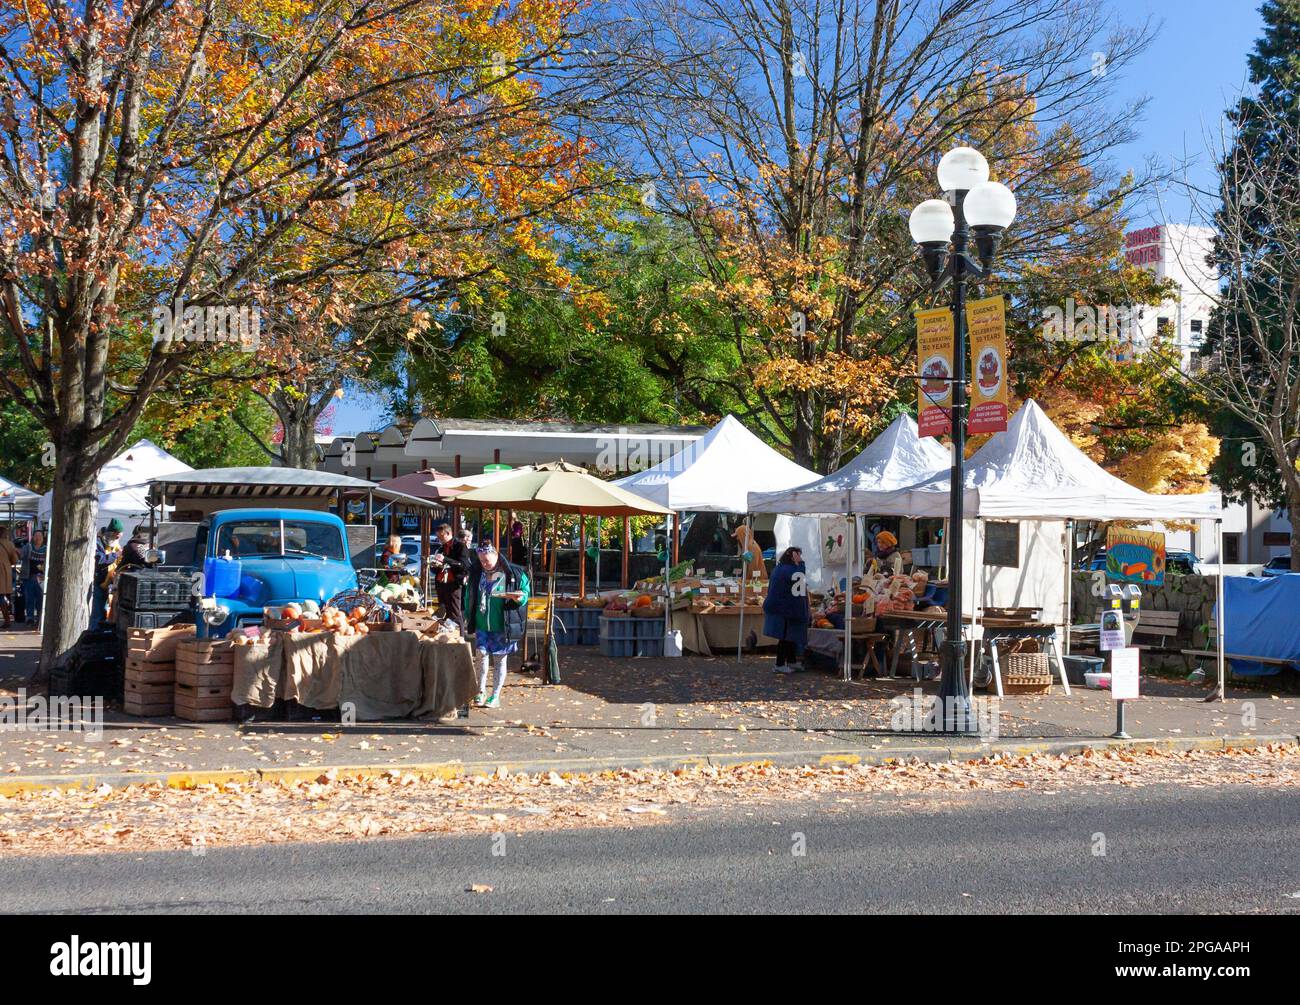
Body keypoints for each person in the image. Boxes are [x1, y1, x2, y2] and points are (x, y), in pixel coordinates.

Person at [463, 541, 530, 709]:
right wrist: (467, 614)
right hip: (481, 622)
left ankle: (495, 696)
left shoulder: (513, 572)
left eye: (487, 560)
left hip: (503, 623)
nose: (484, 563)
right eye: (481, 560)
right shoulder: (476, 572)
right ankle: (480, 691)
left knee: (499, 660)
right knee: (481, 655)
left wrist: (519, 598)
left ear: (496, 555)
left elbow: (525, 592)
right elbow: (469, 595)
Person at [763, 546, 810, 674]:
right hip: (783, 607)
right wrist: (800, 563)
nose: (800, 558)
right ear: (792, 556)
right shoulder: (790, 570)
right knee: (784, 636)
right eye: (798, 555)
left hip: (783, 606)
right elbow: (800, 576)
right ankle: (779, 664)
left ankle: (791, 661)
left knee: (790, 635)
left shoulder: (780, 568)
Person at [430, 522, 471, 632]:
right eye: (438, 537)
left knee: (455, 615)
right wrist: (434, 565)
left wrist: (445, 559)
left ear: (448, 533)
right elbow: (434, 570)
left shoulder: (460, 546)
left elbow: (465, 567)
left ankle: (461, 640)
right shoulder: (441, 548)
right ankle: (447, 638)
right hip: (441, 585)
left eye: (441, 536)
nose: (439, 539)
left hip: (453, 585)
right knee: (444, 614)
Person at [91, 518, 124, 629]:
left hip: (109, 583)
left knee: (105, 611)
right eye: (116, 536)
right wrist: (116, 555)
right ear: (111, 534)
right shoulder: (97, 543)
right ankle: (93, 635)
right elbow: (99, 560)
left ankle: (99, 635)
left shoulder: (114, 544)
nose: (117, 539)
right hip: (98, 582)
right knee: (97, 613)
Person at [19, 529, 45, 627]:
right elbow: (21, 556)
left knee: (40, 598)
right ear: (33, 537)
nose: (38, 538)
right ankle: (30, 618)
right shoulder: (28, 547)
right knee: (29, 598)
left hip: (41, 578)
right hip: (28, 577)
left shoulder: (46, 549)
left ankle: (39, 617)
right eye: (36, 536)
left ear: (43, 538)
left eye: (40, 536)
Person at [0, 526, 19, 630]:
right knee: (3, 595)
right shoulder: (9, 544)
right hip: (6, 573)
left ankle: (7, 620)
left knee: (1, 597)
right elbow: (15, 560)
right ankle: (7, 619)